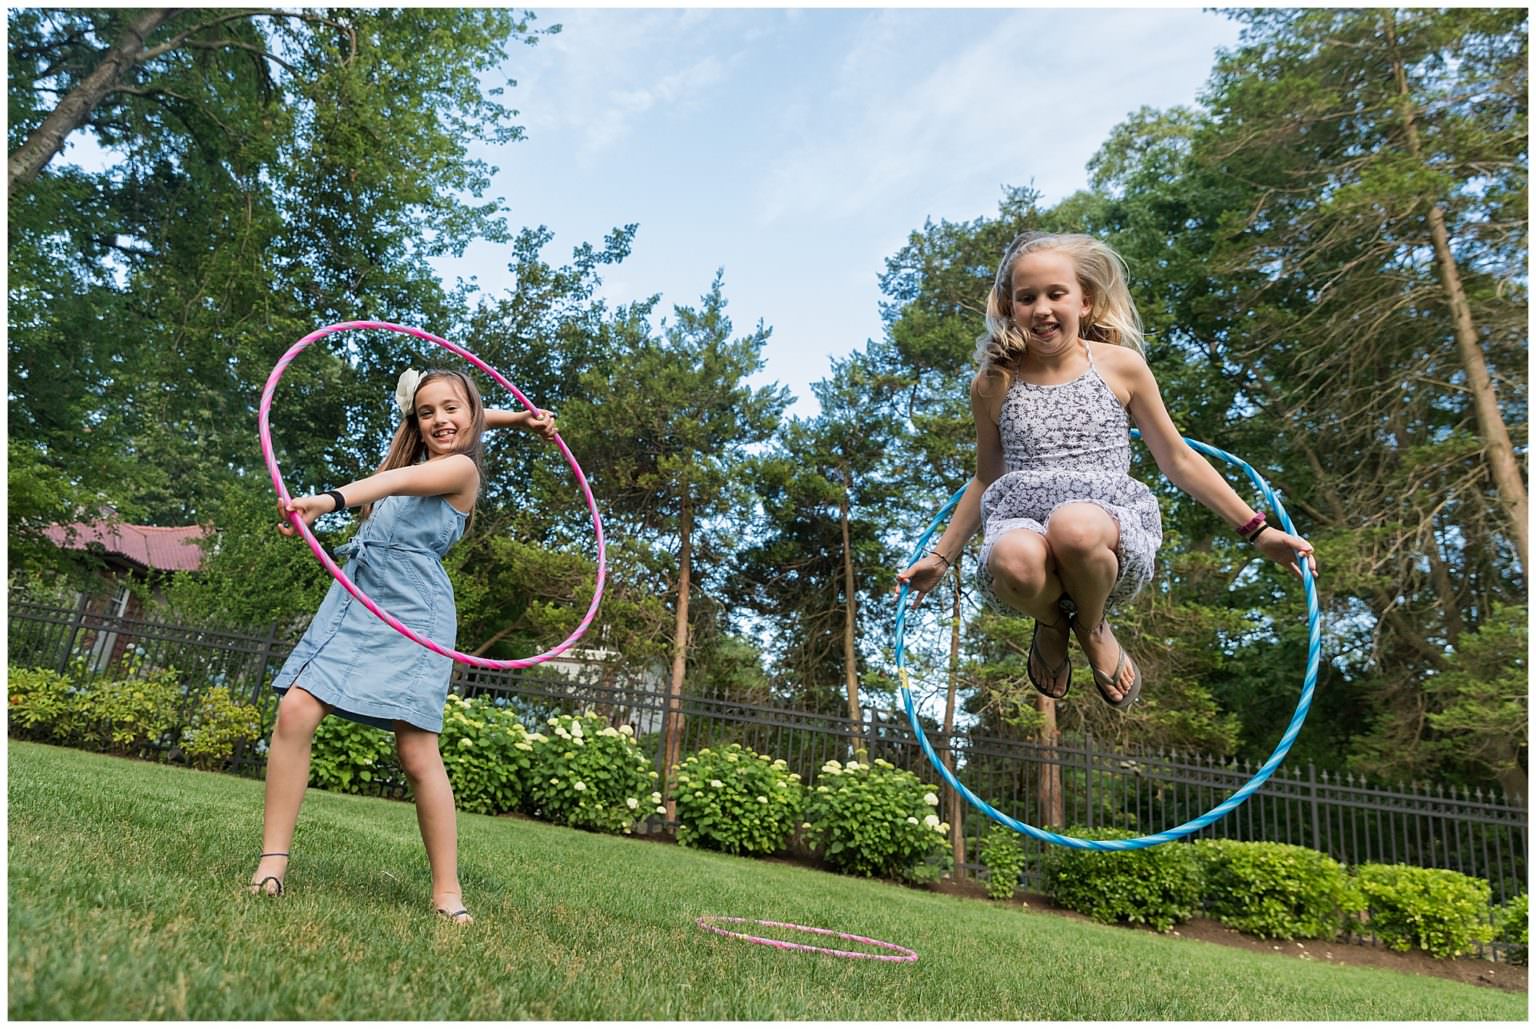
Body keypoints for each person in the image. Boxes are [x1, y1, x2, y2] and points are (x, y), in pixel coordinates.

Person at [896, 231, 1317, 709]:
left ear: (1086, 302)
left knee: (1073, 525)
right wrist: (941, 557)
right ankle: (1053, 624)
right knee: (1012, 557)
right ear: (1011, 308)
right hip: (1022, 519)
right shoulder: (993, 383)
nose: (1042, 309)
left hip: (1104, 520)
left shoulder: (1121, 367)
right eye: (1027, 297)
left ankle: (1092, 626)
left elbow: (1177, 458)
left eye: (1056, 294)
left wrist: (1259, 532)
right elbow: (986, 480)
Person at [247, 367, 558, 924]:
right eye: (426, 411)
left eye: (451, 408)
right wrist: (526, 420)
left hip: (416, 610)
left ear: (472, 414)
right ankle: (271, 866)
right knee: (294, 710)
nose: (439, 420)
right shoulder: (416, 457)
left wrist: (327, 499)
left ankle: (447, 893)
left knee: (417, 753)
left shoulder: (459, 470)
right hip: (359, 598)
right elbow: (462, 424)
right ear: (414, 420)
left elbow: (392, 483)